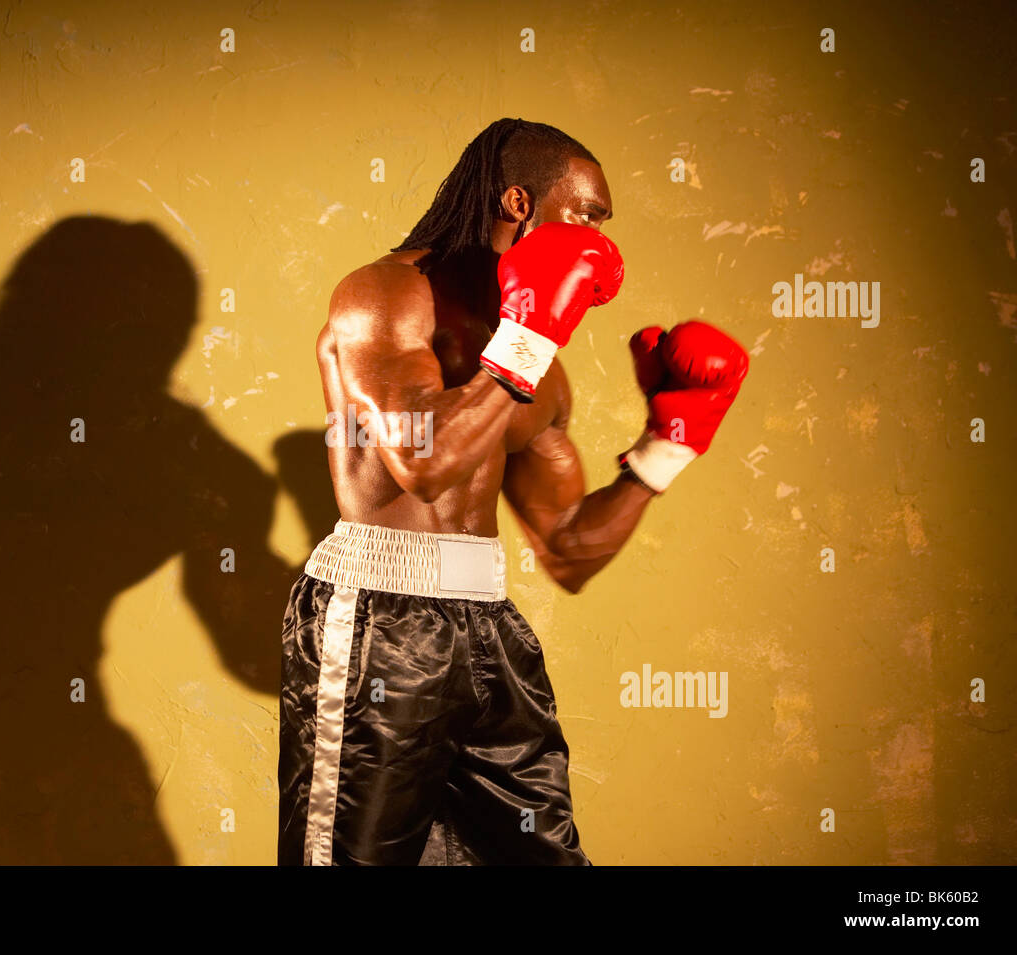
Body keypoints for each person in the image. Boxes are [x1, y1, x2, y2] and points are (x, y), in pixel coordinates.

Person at [278, 118, 749, 865]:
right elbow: (421, 461)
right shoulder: (388, 295)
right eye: (588, 215)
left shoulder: (537, 362)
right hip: (378, 625)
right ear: (520, 203)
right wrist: (526, 346)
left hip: (490, 631)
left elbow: (569, 547)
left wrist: (666, 447)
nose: (601, 239)